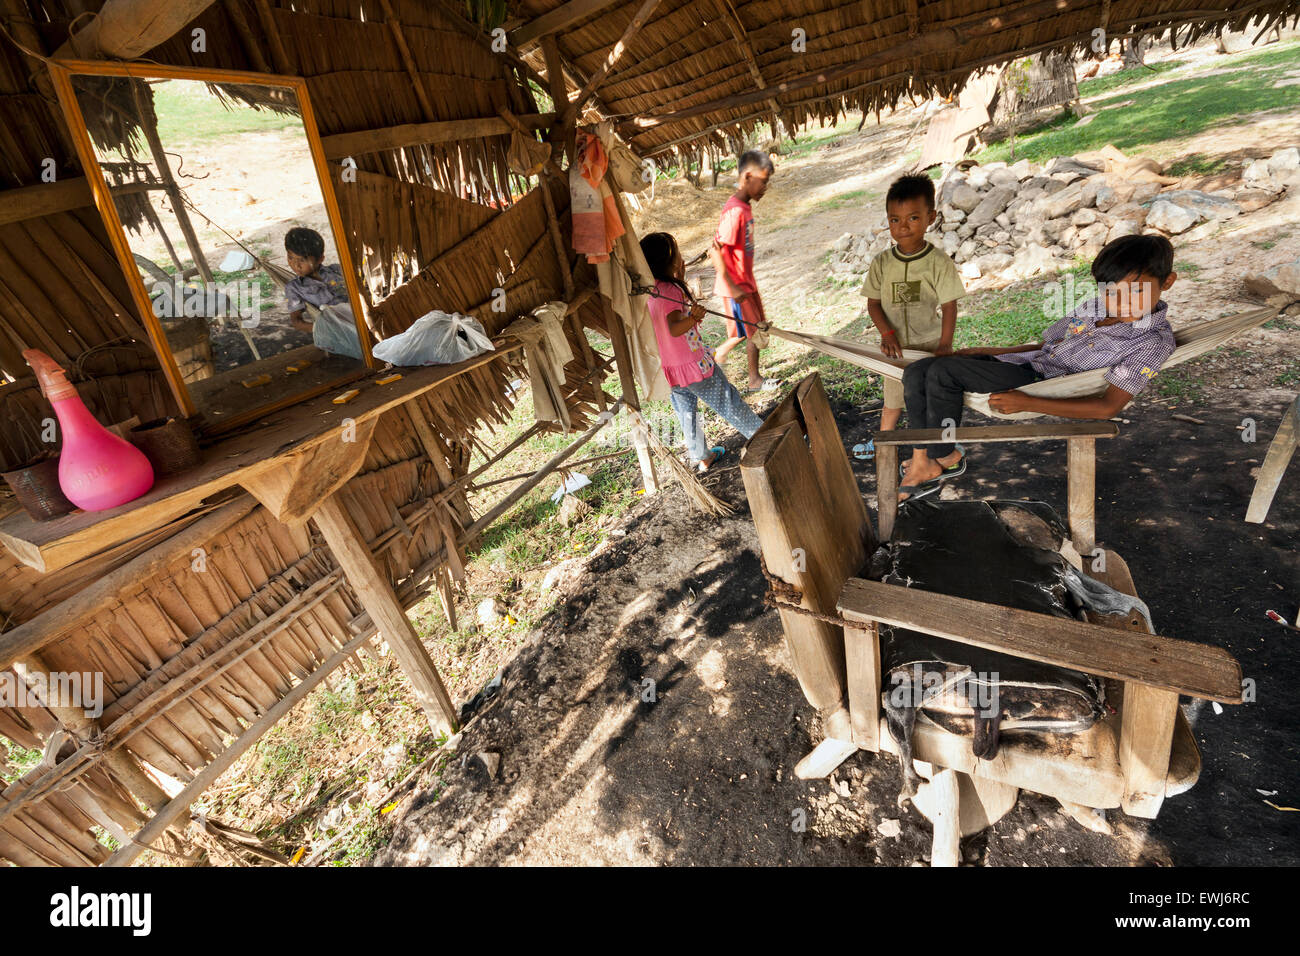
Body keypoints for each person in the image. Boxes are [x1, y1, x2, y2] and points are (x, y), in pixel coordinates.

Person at [897, 233, 1179, 500]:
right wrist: (990, 351)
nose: (1121, 303)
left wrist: (1029, 402)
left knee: (941, 373)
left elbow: (1108, 407)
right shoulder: (1095, 308)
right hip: (1021, 365)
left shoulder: (1151, 343)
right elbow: (1044, 346)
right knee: (917, 371)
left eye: (1136, 291)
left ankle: (943, 455)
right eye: (1111, 293)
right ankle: (925, 456)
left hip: (1037, 383)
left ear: (1166, 282)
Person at [642, 231, 765, 472]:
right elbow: (675, 327)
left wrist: (679, 276)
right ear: (668, 260)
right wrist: (694, 317)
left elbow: (664, 321)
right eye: (676, 251)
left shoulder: (650, 289)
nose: (681, 255)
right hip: (693, 366)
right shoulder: (672, 291)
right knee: (728, 402)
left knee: (686, 412)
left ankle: (701, 455)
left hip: (670, 370)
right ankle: (764, 438)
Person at [861, 173, 965, 432]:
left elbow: (950, 305)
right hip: (894, 351)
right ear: (888, 221)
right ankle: (885, 447)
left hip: (929, 348)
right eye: (895, 220)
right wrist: (887, 333)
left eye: (913, 218)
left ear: (931, 218)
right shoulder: (882, 263)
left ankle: (938, 452)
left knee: (932, 403)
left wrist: (944, 344)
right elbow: (873, 303)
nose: (903, 227)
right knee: (892, 404)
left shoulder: (937, 261)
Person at [708, 150, 781, 393]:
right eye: (763, 181)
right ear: (748, 177)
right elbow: (715, 251)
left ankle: (716, 356)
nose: (765, 187)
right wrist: (732, 286)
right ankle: (754, 380)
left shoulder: (744, 208)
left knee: (745, 331)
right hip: (737, 286)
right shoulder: (735, 211)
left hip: (745, 283)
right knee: (753, 331)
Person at [283, 226, 362, 359]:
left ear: (320, 259)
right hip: (340, 329)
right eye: (290, 258)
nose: (295, 265)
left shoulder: (338, 270)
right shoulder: (294, 288)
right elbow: (296, 322)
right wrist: (323, 330)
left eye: (302, 260)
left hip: (361, 316)